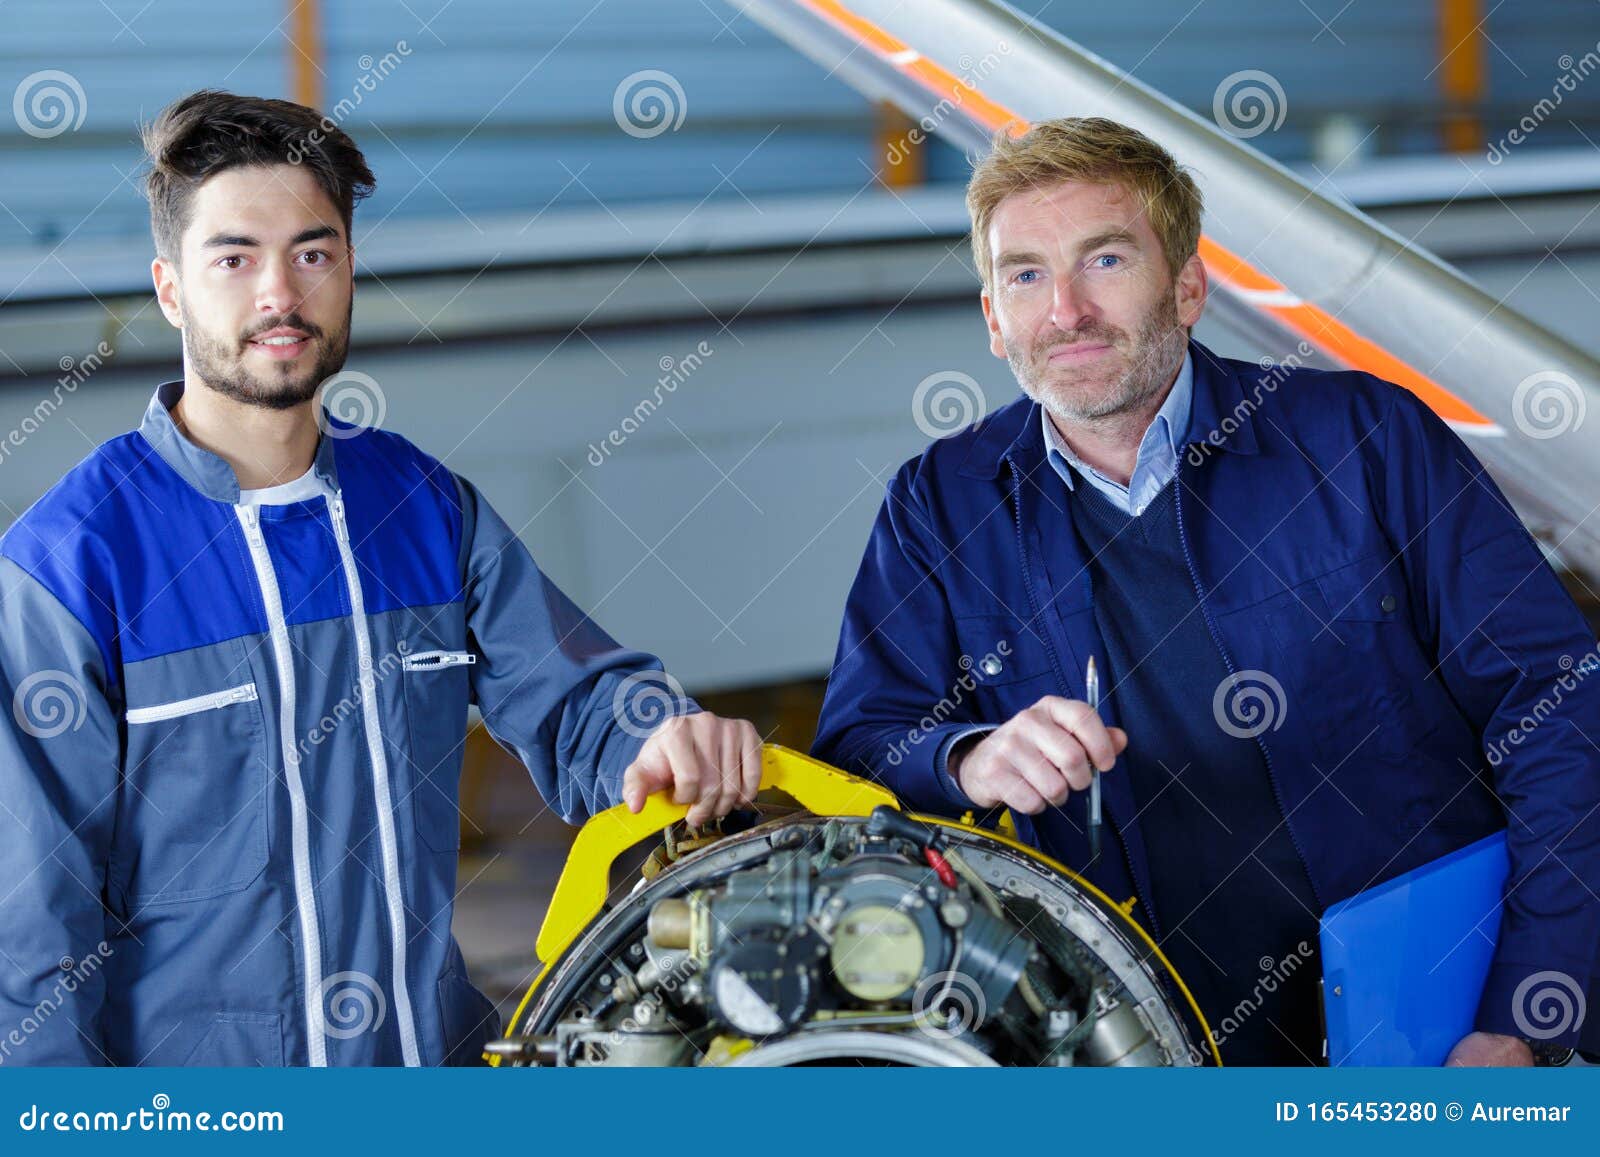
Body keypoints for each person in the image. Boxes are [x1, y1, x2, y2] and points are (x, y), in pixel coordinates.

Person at [812, 116, 1600, 1066]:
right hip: (1140, 1049)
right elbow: (857, 753)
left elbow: (1561, 717)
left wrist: (1524, 1015)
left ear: (1187, 284)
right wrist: (967, 757)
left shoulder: (1367, 441)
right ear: (992, 318)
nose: (1064, 310)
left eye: (1104, 259)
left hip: (1435, 1028)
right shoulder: (938, 507)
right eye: (1024, 274)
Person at [0, 90, 760, 1067]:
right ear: (170, 288)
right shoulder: (72, 564)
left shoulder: (424, 510)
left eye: (312, 253)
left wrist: (659, 729)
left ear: (349, 270)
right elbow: (29, 936)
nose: (279, 293)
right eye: (234, 258)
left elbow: (576, 695)